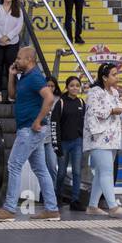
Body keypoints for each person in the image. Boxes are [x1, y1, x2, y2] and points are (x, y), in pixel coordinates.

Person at [0, 47, 60, 222]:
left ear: (29, 59)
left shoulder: (35, 77)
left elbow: (49, 98)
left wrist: (38, 120)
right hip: (30, 129)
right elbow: (12, 95)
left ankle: (9, 208)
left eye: (19, 58)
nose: (16, 61)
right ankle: (52, 209)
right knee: (41, 170)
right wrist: (11, 75)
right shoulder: (25, 77)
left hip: (30, 129)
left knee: (14, 164)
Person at [83, 63, 122, 217]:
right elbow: (94, 112)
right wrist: (112, 111)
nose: (117, 77)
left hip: (113, 137)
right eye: (114, 74)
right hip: (99, 137)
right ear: (104, 77)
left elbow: (120, 110)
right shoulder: (94, 92)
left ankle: (92, 206)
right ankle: (113, 206)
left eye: (117, 74)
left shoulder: (114, 92)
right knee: (107, 172)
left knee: (102, 172)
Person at [53, 76, 86, 211]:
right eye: (72, 85)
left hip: (77, 142)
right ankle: (57, 196)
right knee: (61, 173)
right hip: (63, 143)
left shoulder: (81, 103)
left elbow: (84, 124)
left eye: (77, 85)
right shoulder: (60, 103)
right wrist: (57, 145)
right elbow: (54, 124)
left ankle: (75, 200)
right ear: (67, 87)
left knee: (77, 172)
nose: (75, 88)